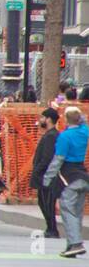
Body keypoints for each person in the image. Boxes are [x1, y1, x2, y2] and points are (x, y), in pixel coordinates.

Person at [41, 106, 89, 258]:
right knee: (77, 212)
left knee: (67, 210)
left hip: (69, 177)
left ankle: (76, 243)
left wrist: (47, 179)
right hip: (82, 175)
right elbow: (84, 124)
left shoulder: (65, 136)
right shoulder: (84, 132)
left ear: (65, 119)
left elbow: (58, 159)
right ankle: (71, 244)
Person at [30, 107, 62, 238]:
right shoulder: (50, 135)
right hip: (46, 175)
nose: (40, 120)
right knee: (43, 202)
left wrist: (37, 171)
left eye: (42, 117)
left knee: (46, 202)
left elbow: (47, 158)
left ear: (48, 119)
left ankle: (52, 228)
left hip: (46, 176)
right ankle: (50, 228)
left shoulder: (51, 136)